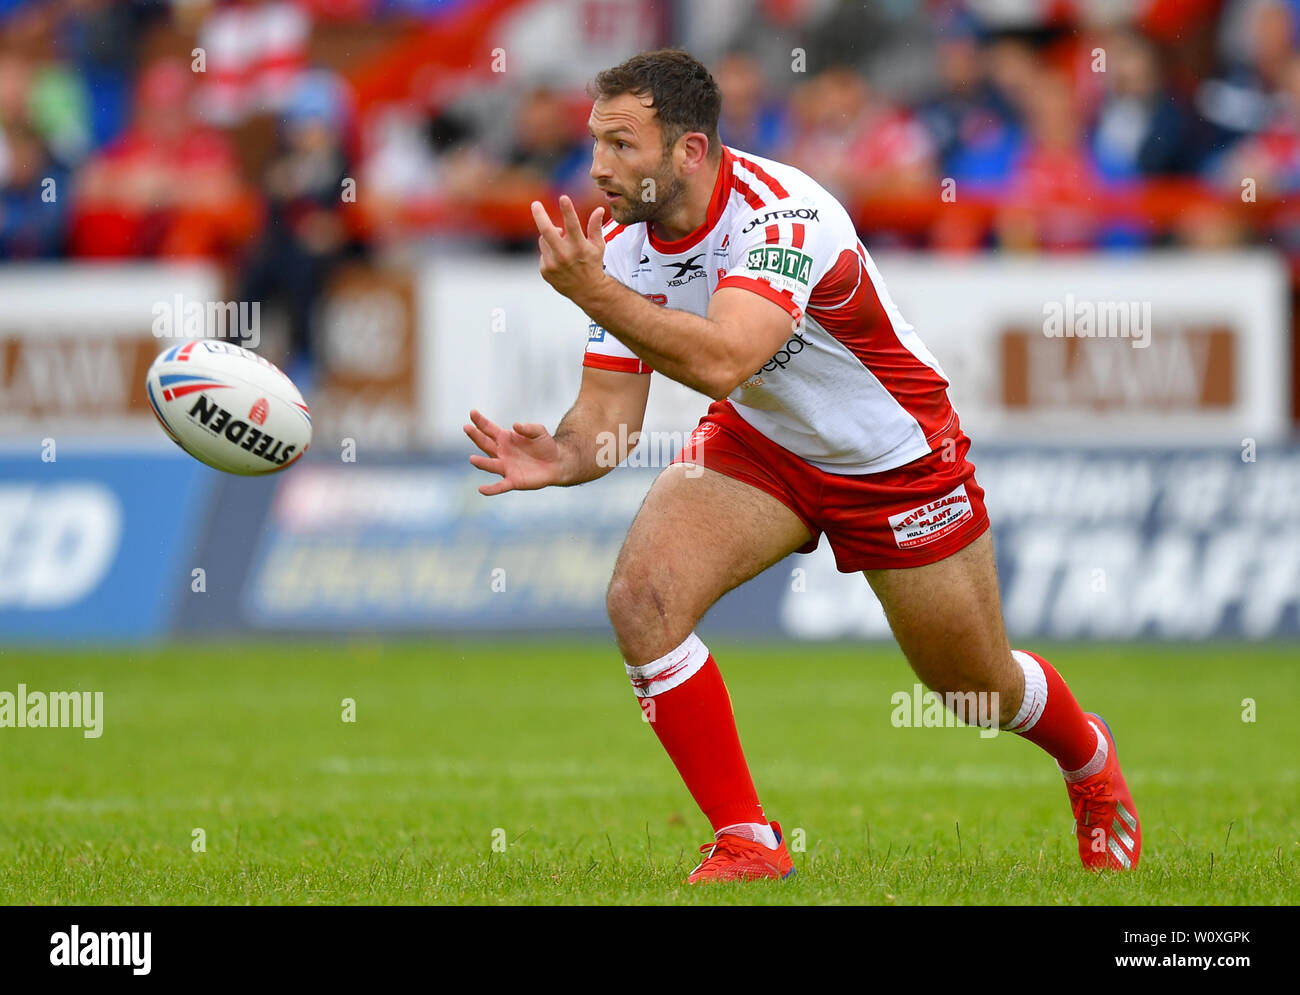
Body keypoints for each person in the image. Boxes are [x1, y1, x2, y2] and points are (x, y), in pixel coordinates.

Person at [464, 49, 1141, 883]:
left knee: (973, 686)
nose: (597, 166)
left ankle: (1089, 760)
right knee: (641, 599)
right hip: (766, 446)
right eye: (595, 141)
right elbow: (609, 420)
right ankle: (748, 838)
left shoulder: (782, 216)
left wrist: (595, 293)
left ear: (690, 152)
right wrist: (564, 455)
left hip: (894, 458)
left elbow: (724, 360)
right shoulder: (624, 243)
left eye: (621, 144)